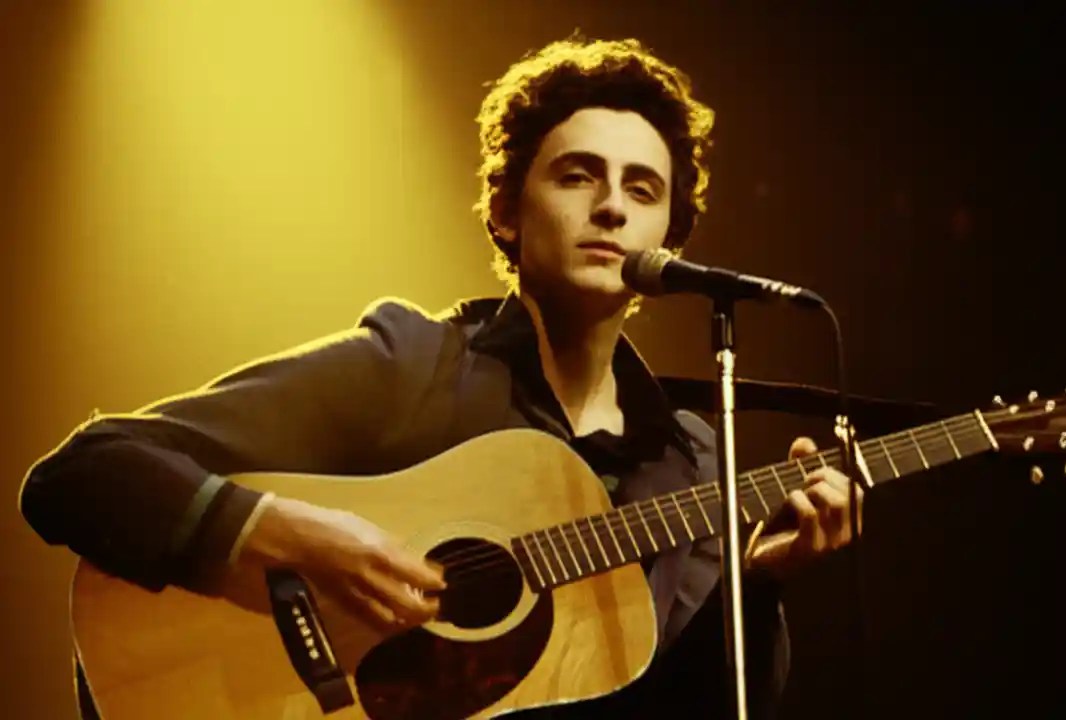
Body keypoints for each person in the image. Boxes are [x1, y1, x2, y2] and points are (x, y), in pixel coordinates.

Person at [18, 35, 856, 719]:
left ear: (670, 234)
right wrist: (299, 537)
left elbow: (686, 707)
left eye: (642, 189)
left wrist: (760, 584)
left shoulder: (693, 462)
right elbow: (82, 473)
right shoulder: (413, 366)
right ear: (507, 211)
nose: (612, 207)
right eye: (577, 175)